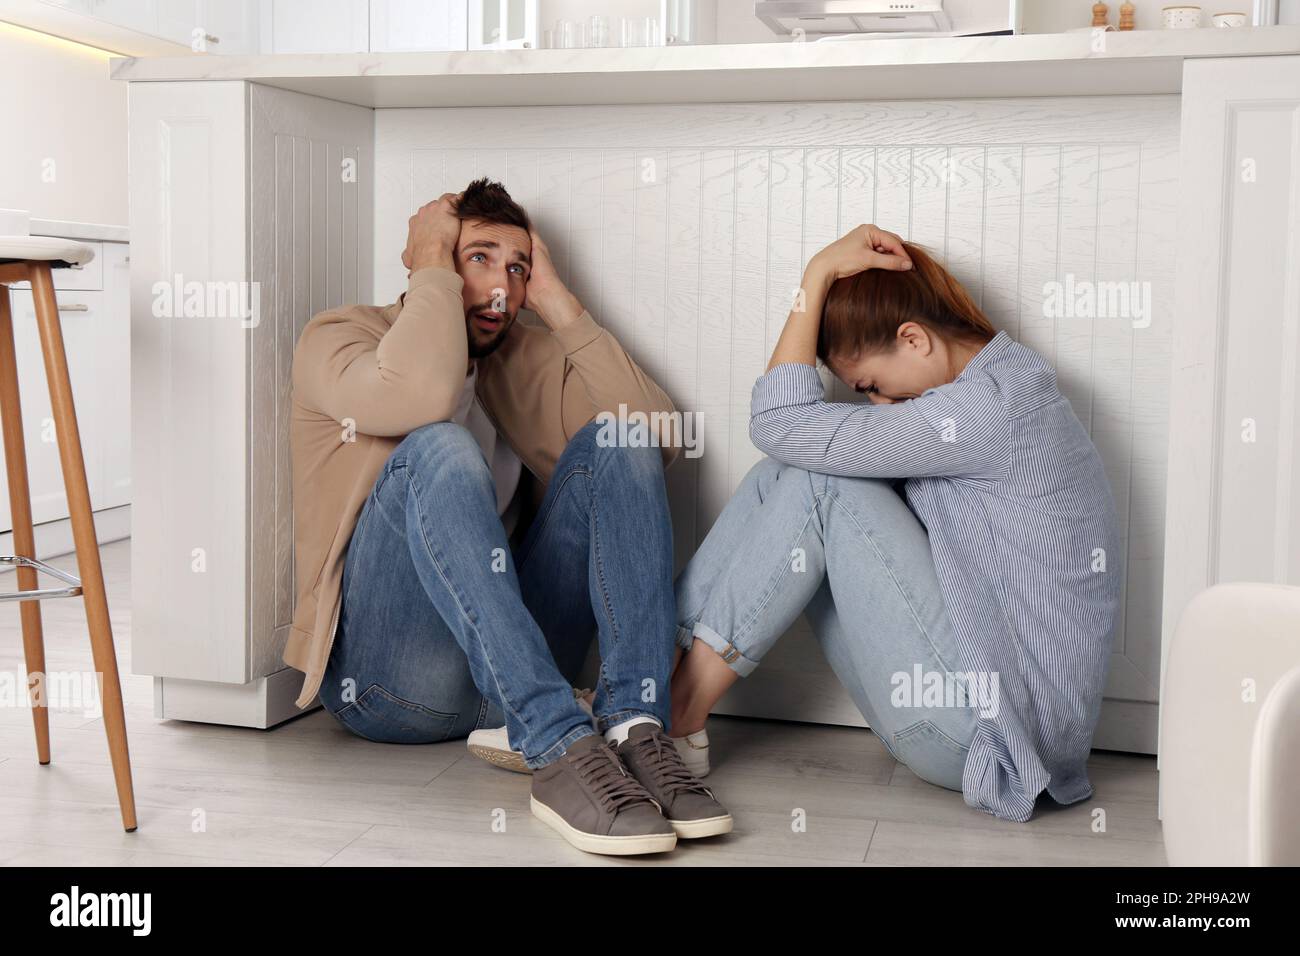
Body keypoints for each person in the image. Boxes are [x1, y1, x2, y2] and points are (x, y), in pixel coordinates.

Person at [287, 178, 731, 855]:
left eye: (517, 269)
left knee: (620, 438)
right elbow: (425, 396)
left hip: (511, 672)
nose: (501, 288)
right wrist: (432, 262)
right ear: (431, 259)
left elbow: (660, 436)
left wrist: (558, 302)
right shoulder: (339, 337)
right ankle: (557, 745)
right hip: (388, 682)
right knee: (438, 444)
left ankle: (636, 727)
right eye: (478, 258)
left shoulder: (517, 360)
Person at [669, 225, 1123, 823]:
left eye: (873, 388)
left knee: (820, 476)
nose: (878, 407)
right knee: (781, 472)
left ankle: (672, 712)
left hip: (988, 740)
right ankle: (646, 683)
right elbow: (786, 441)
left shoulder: (981, 411)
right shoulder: (1004, 388)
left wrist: (817, 273)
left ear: (914, 339)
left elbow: (779, 419)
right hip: (957, 712)